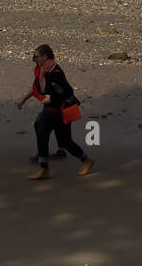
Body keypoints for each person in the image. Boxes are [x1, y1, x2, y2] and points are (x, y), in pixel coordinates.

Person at [16, 45, 94, 180]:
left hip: (57, 110)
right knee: (64, 140)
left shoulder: (54, 73)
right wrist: (24, 99)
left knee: (43, 134)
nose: (34, 59)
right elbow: (36, 87)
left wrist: (50, 99)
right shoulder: (43, 70)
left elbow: (67, 91)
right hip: (54, 109)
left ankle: (44, 168)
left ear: (45, 56)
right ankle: (85, 160)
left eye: (37, 56)